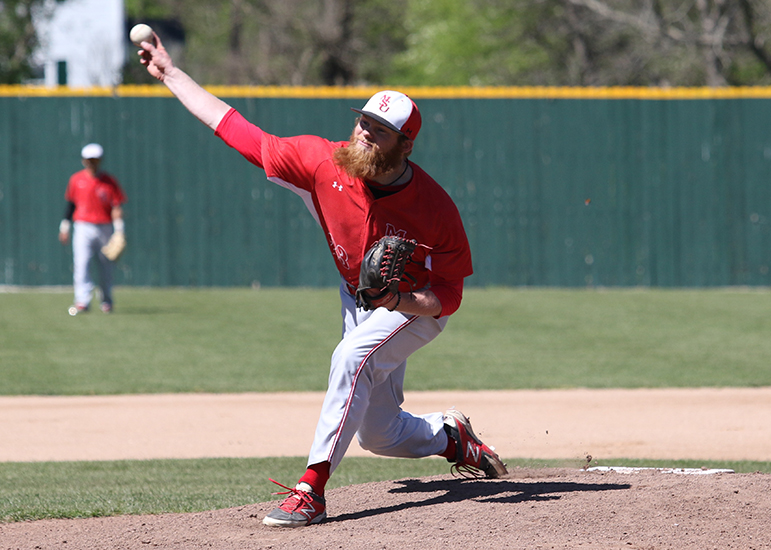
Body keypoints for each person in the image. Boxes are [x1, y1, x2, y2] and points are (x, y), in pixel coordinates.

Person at [136, 32, 507, 528]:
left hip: (412, 308)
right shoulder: (320, 163)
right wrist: (171, 74)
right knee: (380, 435)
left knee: (350, 356)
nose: (365, 133)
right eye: (364, 121)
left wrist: (397, 298)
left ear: (405, 143)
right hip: (358, 299)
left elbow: (450, 296)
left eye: (381, 129)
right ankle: (451, 437)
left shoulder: (435, 209)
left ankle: (311, 490)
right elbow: (234, 128)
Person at [58, 143, 127, 315]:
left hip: (104, 226)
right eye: (89, 160)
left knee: (106, 266)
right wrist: (64, 226)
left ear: (100, 160)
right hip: (83, 226)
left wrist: (119, 230)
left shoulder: (109, 181)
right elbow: (71, 204)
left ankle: (106, 301)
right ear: (83, 161)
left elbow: (116, 207)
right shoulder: (76, 179)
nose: (92, 163)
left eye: (95, 160)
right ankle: (82, 301)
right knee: (81, 264)